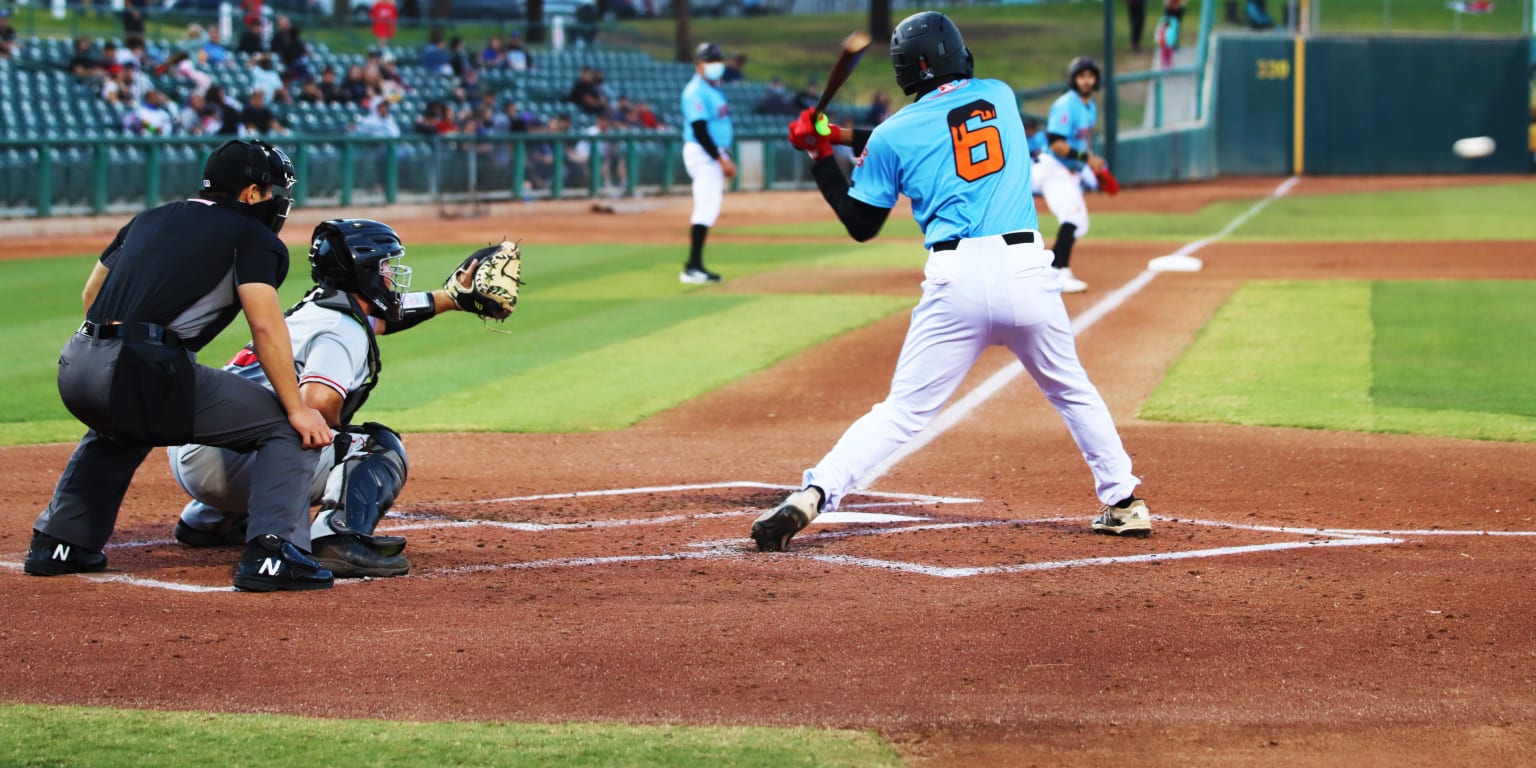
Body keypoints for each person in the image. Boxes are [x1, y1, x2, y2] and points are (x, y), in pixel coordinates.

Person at [755, 12, 1150, 552]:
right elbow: (941, 130)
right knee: (1072, 390)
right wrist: (835, 137)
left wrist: (823, 156)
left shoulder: (895, 134)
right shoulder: (1001, 96)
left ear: (905, 70)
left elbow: (862, 222)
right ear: (954, 53)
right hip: (1026, 271)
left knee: (902, 411)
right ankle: (1125, 503)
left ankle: (815, 493)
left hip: (955, 280)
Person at [23, 139, 337, 592]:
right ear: (251, 193)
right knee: (285, 428)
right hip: (138, 367)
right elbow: (266, 328)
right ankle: (274, 554)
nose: (279, 201)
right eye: (273, 191)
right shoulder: (254, 238)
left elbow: (92, 294)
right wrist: (296, 407)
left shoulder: (149, 217)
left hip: (77, 361)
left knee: (124, 424)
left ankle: (59, 543)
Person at [166, 220, 484, 577]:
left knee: (275, 419)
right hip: (239, 467)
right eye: (383, 267)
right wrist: (336, 443)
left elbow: (382, 318)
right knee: (375, 446)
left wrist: (449, 299)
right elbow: (317, 402)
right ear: (363, 272)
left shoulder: (315, 307)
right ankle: (337, 539)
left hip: (198, 456)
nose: (390, 275)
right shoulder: (342, 328)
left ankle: (210, 520)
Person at [1035, 56, 1106, 294]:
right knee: (1071, 217)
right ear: (1074, 79)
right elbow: (1055, 143)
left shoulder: (1089, 106)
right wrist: (1087, 160)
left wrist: (1094, 165)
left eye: (1090, 76)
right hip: (1053, 168)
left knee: (1079, 222)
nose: (1086, 81)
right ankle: (1058, 270)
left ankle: (1054, 270)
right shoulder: (1067, 104)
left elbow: (1082, 143)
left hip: (1069, 170)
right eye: (1081, 76)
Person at [678, 42, 735, 284]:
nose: (714, 65)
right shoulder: (694, 91)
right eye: (709, 61)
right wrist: (719, 158)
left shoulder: (712, 88)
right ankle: (692, 267)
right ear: (698, 65)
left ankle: (695, 266)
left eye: (717, 60)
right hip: (702, 151)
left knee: (708, 206)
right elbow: (700, 129)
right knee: (706, 206)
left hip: (710, 152)